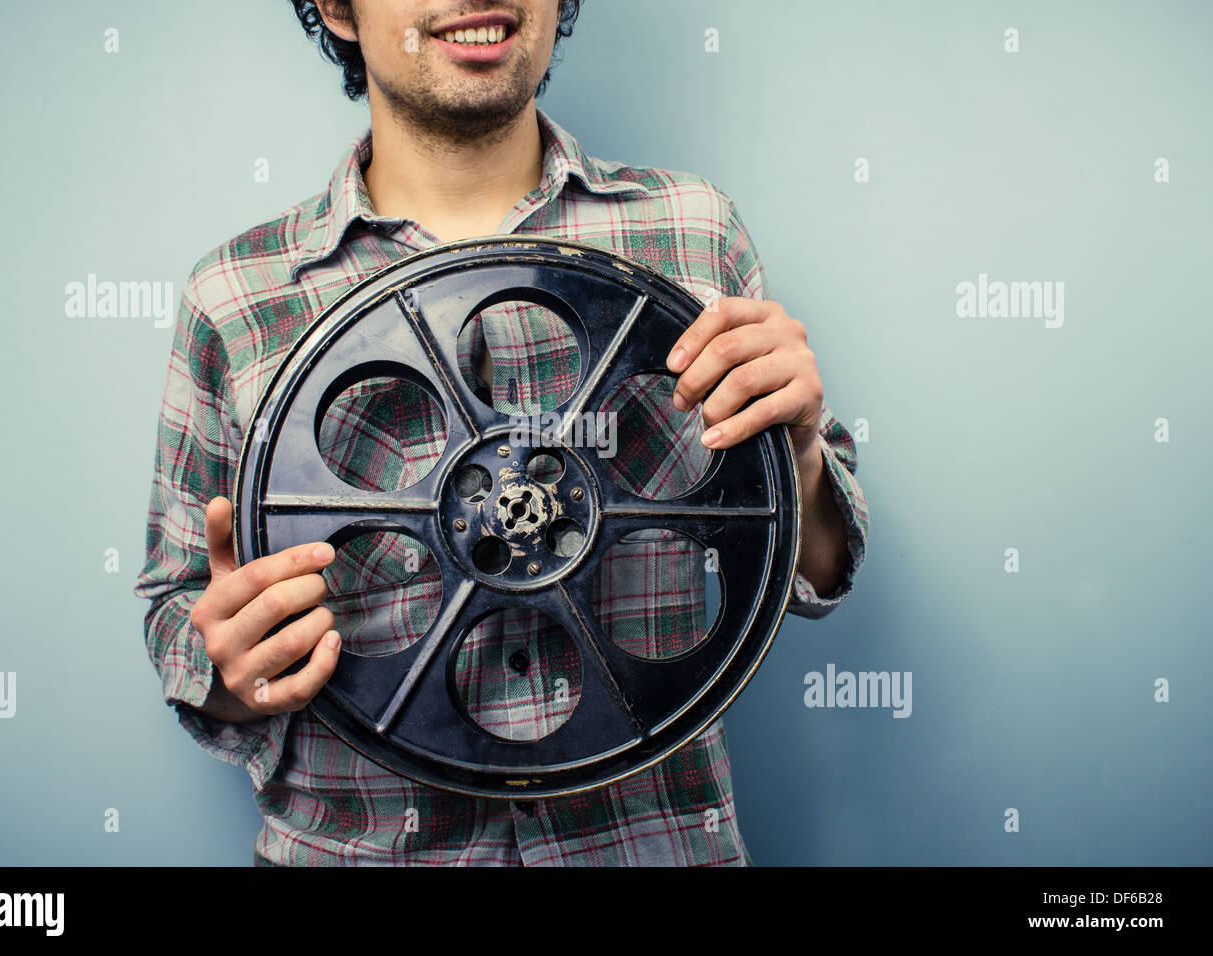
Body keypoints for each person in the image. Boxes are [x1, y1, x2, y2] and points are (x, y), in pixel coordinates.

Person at [133, 0, 869, 866]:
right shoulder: (238, 295)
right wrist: (226, 666)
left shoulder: (691, 232)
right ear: (336, 7)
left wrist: (802, 450)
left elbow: (812, 565)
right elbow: (176, 608)